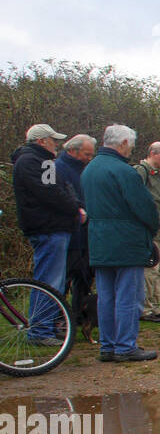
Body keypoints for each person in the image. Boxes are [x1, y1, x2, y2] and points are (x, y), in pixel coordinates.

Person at [82, 124, 159, 361]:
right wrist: (152, 228)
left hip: (99, 239)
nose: (131, 150)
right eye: (131, 146)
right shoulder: (125, 172)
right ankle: (125, 346)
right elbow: (145, 207)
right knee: (128, 296)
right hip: (126, 241)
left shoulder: (89, 170)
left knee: (106, 296)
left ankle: (107, 346)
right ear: (123, 144)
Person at [10, 124, 81, 344]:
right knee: (49, 281)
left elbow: (59, 189)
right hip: (48, 228)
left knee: (53, 281)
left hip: (51, 227)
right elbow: (52, 193)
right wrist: (76, 208)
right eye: (53, 140)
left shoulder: (39, 162)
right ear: (42, 141)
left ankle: (48, 326)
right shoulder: (35, 162)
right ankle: (40, 331)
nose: (56, 145)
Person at [56, 134, 96, 330]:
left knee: (85, 277)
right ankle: (59, 319)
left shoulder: (85, 169)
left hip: (86, 234)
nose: (90, 158)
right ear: (73, 151)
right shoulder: (58, 168)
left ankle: (80, 315)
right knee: (64, 278)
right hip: (70, 234)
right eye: (87, 154)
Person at [135, 142, 160, 322]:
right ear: (153, 153)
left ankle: (156, 306)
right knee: (150, 272)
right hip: (151, 232)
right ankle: (145, 309)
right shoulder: (142, 172)